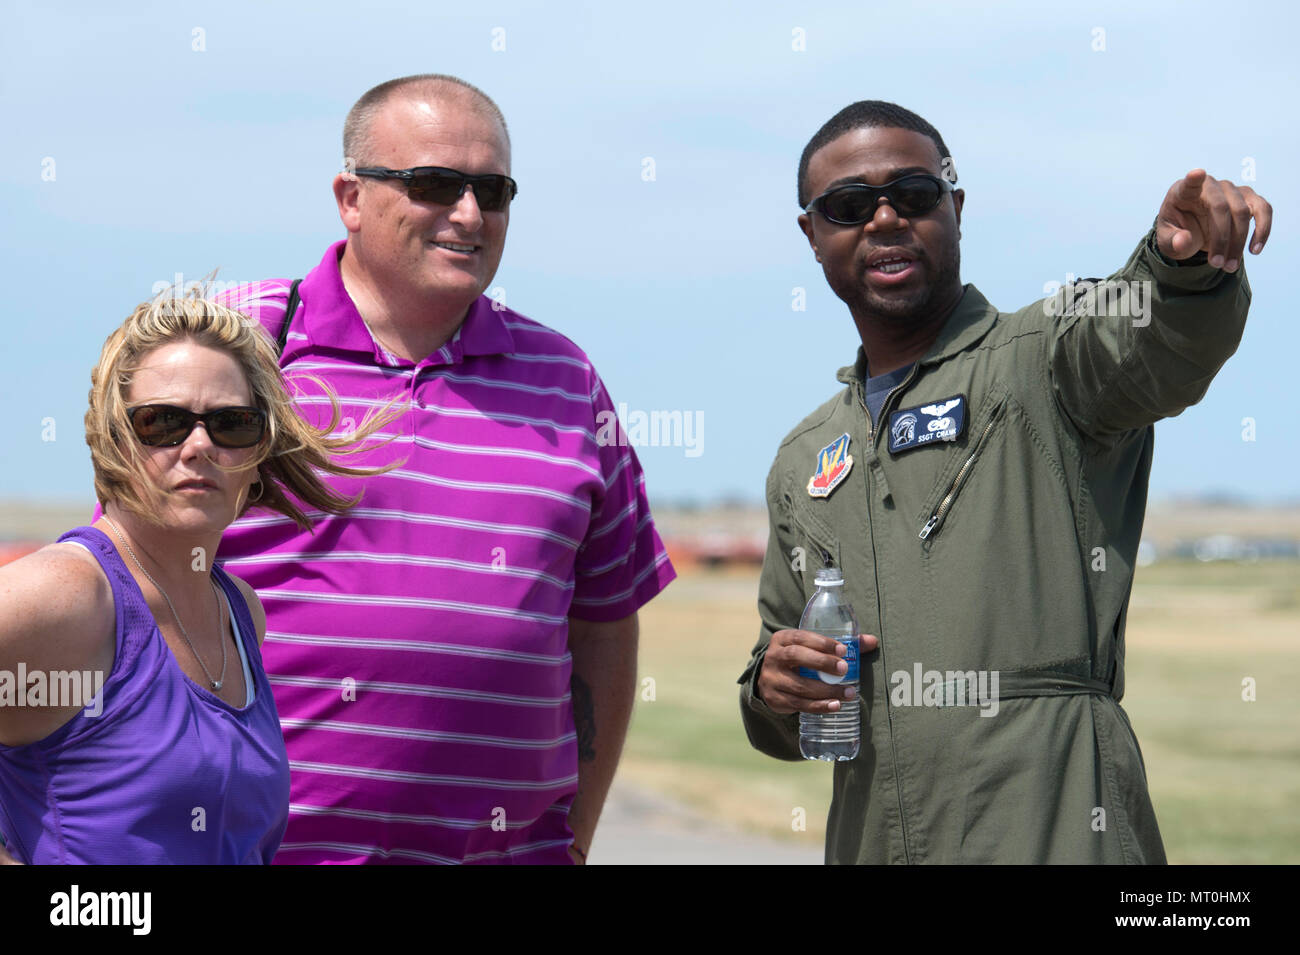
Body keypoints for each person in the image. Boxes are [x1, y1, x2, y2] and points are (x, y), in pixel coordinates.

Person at [737, 100, 1271, 864]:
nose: (885, 219)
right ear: (812, 233)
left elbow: (1152, 339)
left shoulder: (1044, 359)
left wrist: (1181, 268)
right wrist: (774, 687)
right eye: (850, 205)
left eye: (913, 193)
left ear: (954, 207)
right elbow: (780, 694)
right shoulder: (806, 457)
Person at [207, 74, 675, 864]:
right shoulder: (239, 346)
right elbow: (134, 581)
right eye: (433, 184)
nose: (469, 213)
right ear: (350, 198)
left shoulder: (566, 380)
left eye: (492, 191)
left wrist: (572, 845)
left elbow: (604, 622)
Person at [0, 292, 396, 863]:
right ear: (113, 439)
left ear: (259, 455)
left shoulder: (239, 611)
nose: (200, 446)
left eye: (232, 424)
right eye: (163, 422)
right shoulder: (69, 597)